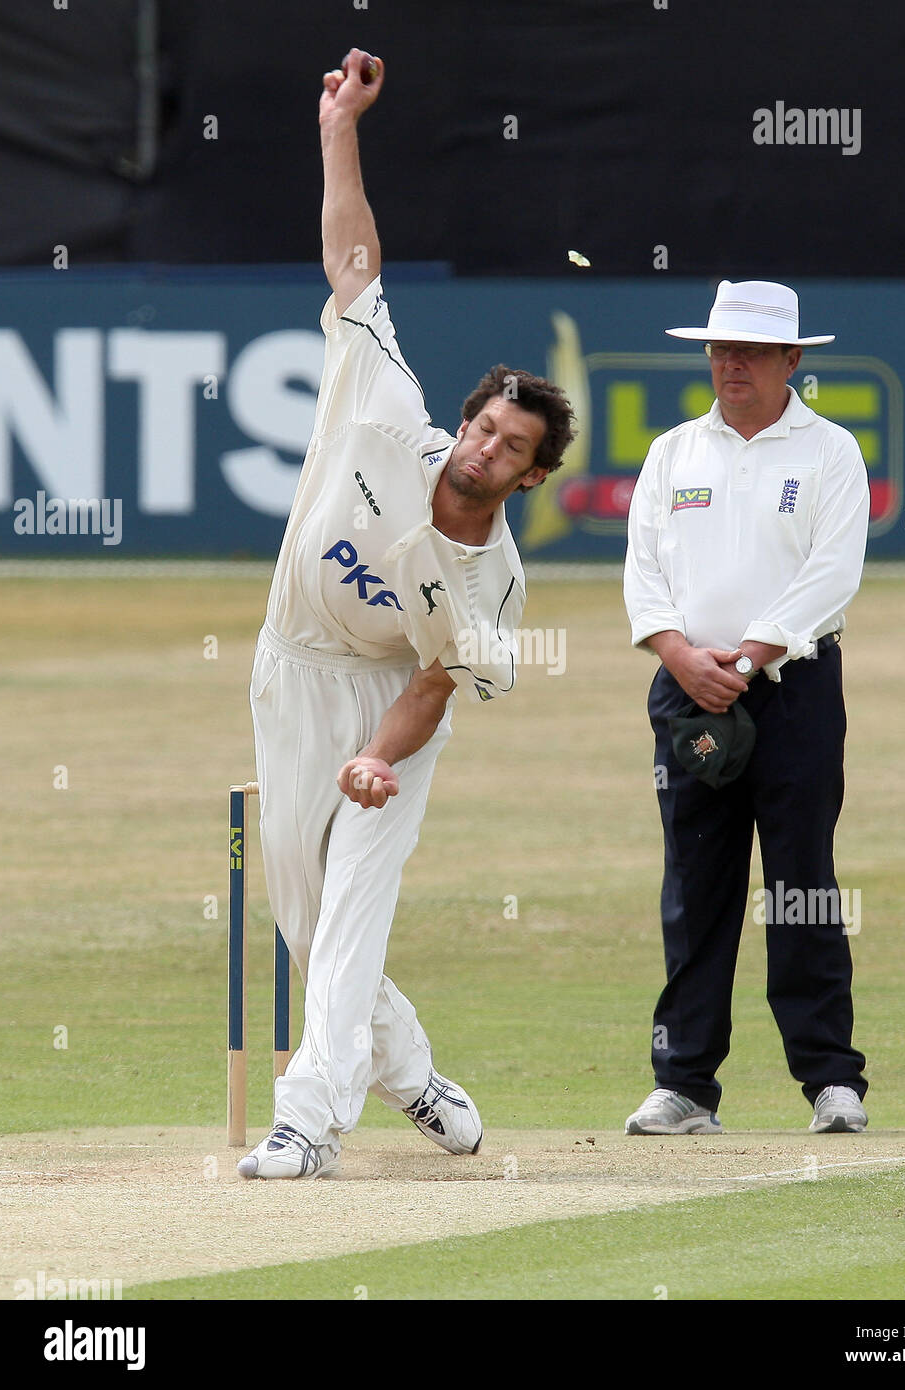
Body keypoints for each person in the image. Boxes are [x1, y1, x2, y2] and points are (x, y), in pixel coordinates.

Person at [237, 53, 575, 1180]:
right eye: (483, 426)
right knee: (305, 916)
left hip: (392, 708)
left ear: (529, 478)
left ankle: (309, 1120)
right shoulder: (384, 408)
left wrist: (378, 763)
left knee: (355, 902)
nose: (485, 446)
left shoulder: (494, 585)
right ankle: (414, 1075)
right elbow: (351, 258)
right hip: (291, 667)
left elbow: (433, 686)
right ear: (463, 420)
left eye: (511, 447)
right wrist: (340, 125)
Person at [622, 279, 870, 1137]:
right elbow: (643, 575)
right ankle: (685, 1083)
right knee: (695, 885)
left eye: (752, 351)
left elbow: (833, 573)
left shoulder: (831, 451)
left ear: (791, 360)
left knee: (801, 880)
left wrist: (753, 652)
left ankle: (833, 1081)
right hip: (687, 691)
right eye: (720, 349)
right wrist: (681, 656)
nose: (731, 364)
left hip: (793, 688)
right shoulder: (673, 452)